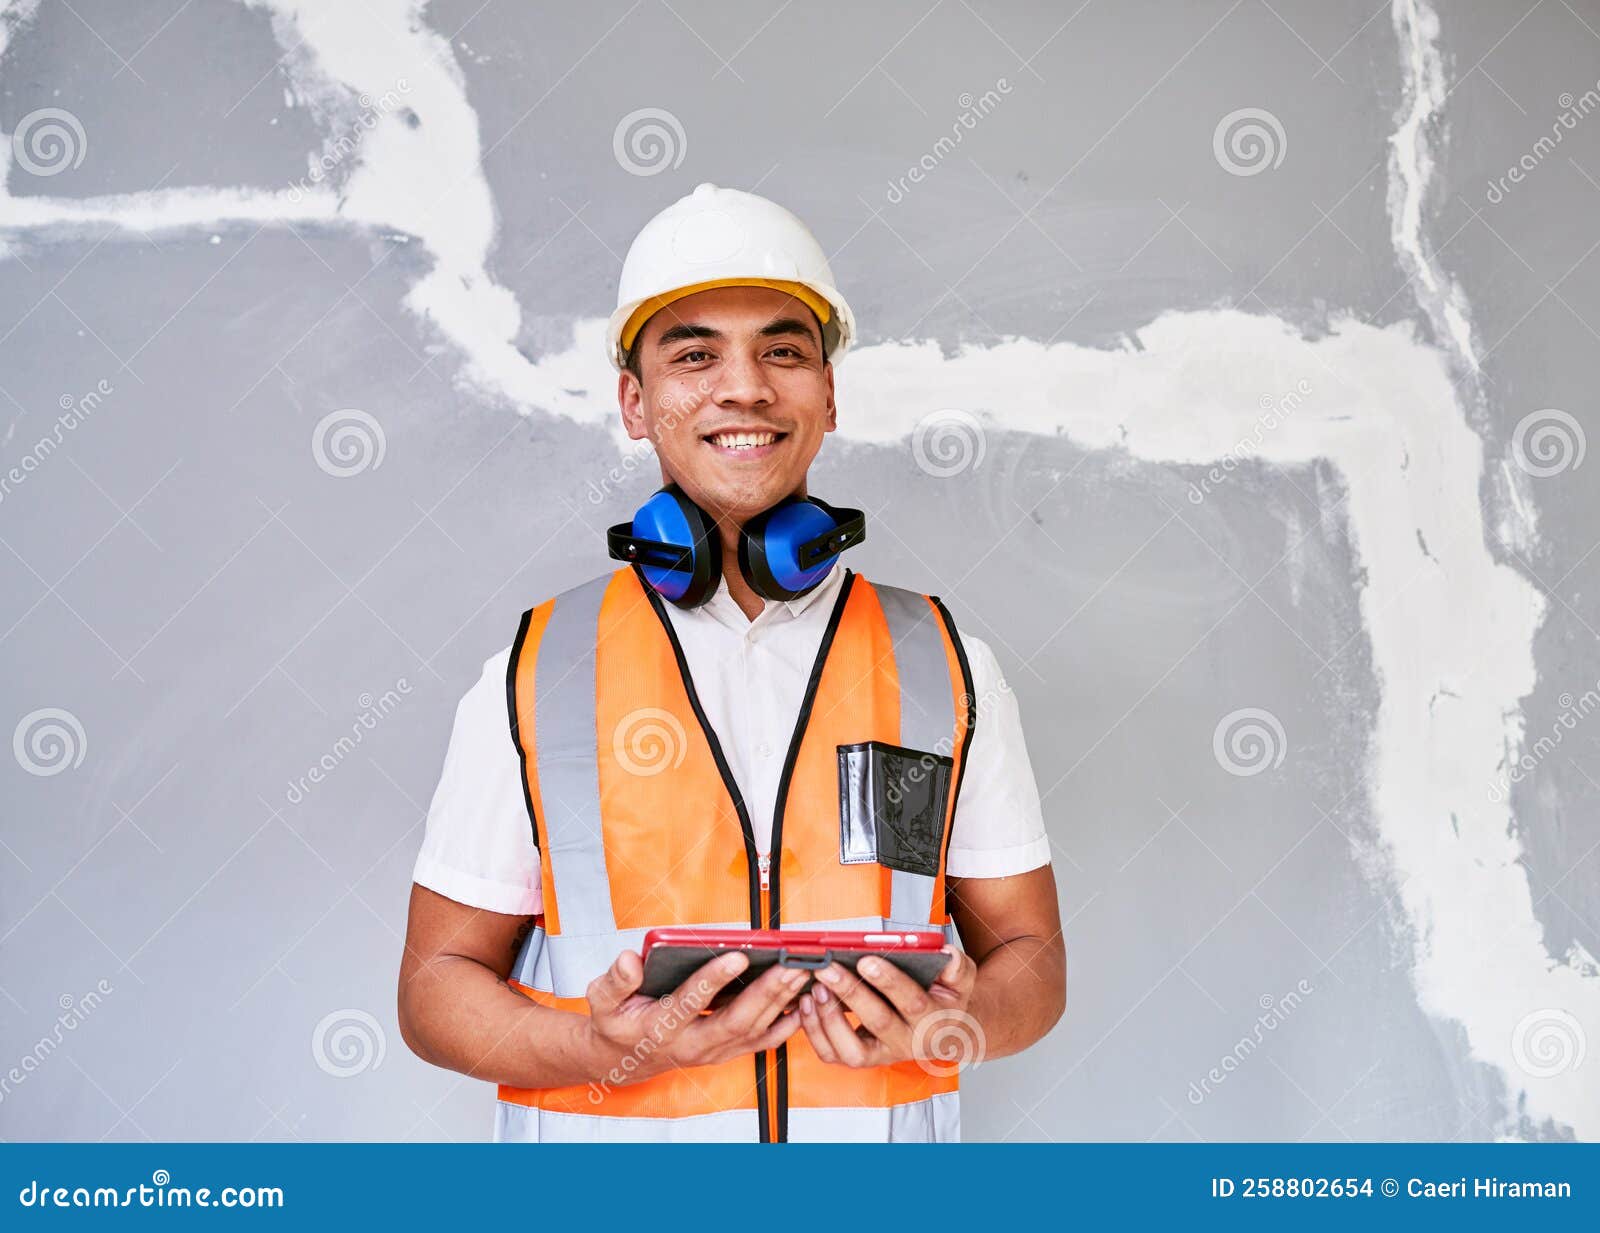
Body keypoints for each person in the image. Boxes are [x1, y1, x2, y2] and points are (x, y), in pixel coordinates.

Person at [398, 183, 1064, 1142]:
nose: (745, 387)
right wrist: (602, 1047)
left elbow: (1032, 957)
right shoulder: (536, 670)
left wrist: (959, 1023)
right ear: (636, 401)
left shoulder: (943, 662)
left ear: (828, 396)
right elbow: (433, 991)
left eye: (783, 351)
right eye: (695, 354)